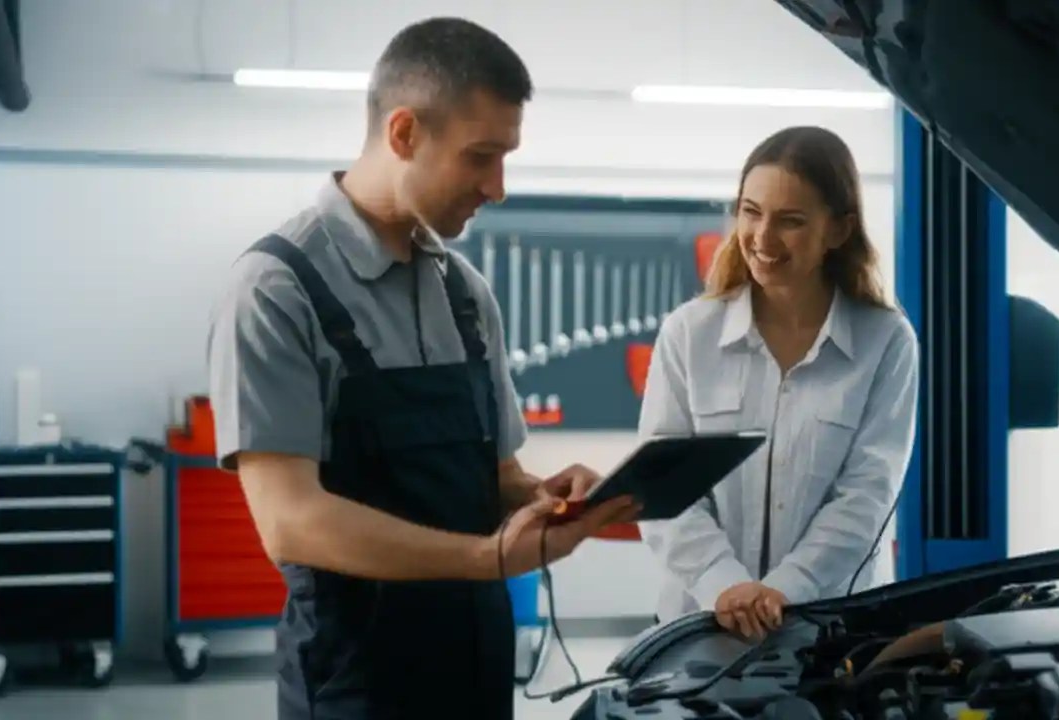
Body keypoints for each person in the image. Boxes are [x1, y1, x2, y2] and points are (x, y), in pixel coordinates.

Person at [206, 17, 638, 720]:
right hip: (355, 687)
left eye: (507, 157)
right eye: (481, 156)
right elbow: (291, 522)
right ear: (404, 133)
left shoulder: (466, 292)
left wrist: (545, 500)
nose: (498, 187)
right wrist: (485, 560)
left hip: (477, 670)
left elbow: (493, 479)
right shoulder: (276, 289)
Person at [638, 126, 918, 640]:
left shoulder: (886, 340)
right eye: (751, 211)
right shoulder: (688, 334)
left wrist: (784, 590)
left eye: (790, 221)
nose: (762, 239)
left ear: (838, 230)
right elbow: (664, 489)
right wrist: (726, 586)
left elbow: (867, 493)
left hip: (830, 625)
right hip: (700, 620)